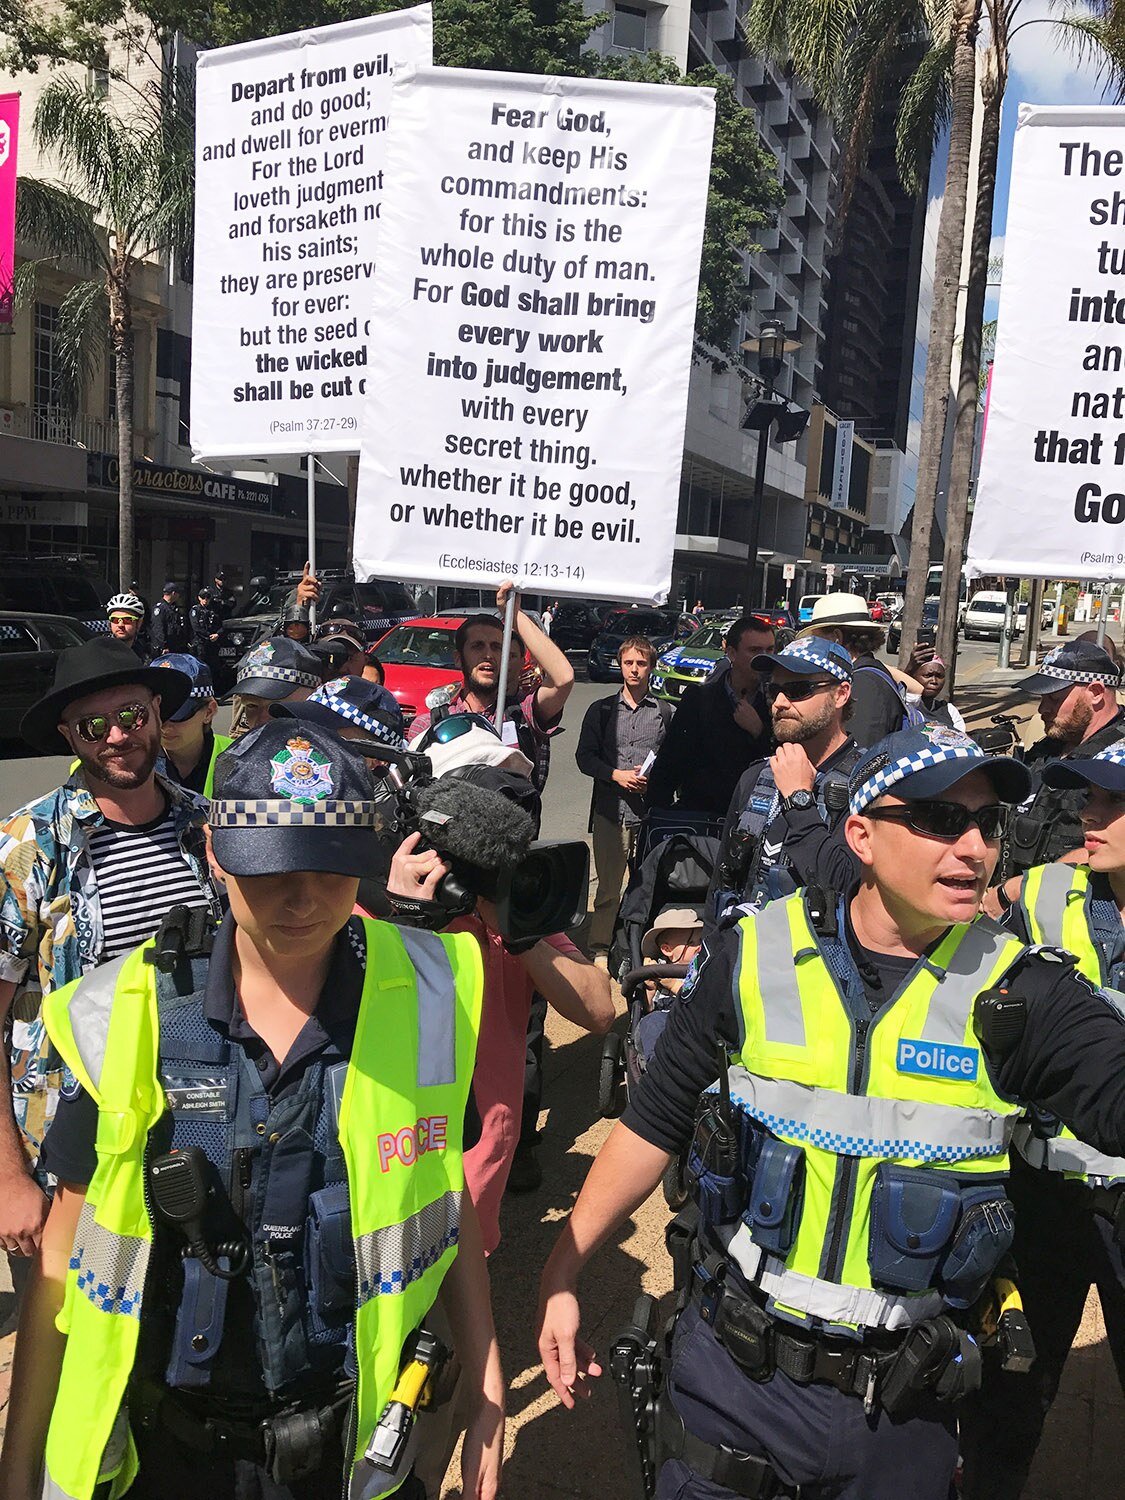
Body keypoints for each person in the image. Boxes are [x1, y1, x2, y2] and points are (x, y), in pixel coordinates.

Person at [536, 723, 1125, 1500]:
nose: (973, 848)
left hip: (907, 1406)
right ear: (861, 835)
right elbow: (656, 1117)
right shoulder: (755, 955)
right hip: (731, 1378)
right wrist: (562, 1266)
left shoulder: (1019, 995)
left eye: (986, 825)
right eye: (940, 820)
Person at [0, 719, 503, 1500]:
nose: (301, 899)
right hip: (172, 1455)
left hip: (353, 1446)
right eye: (269, 869)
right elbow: (63, 1264)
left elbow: (445, 1197)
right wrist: (19, 1464)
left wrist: (489, 1375)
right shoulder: (129, 1015)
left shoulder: (428, 999)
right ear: (214, 853)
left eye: (329, 868)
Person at [0, 640, 219, 1257]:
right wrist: (9, 1177)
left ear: (156, 712)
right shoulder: (28, 848)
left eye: (132, 716)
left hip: (195, 1123)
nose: (117, 736)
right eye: (95, 726)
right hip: (71, 1141)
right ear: (71, 736)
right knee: (67, 1331)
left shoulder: (206, 829)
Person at [960, 742, 1125, 1500]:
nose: (1087, 814)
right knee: (1008, 1394)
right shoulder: (1044, 892)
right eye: (1086, 796)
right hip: (1039, 1196)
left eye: (1109, 802)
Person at [713, 637, 860, 913]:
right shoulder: (756, 777)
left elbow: (846, 887)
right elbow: (722, 884)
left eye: (798, 690)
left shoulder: (871, 784)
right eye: (774, 690)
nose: (779, 703)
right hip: (745, 948)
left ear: (841, 694)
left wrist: (798, 800)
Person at [408, 581, 574, 793]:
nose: (488, 655)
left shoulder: (522, 713)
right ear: (459, 658)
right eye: (477, 646)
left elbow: (564, 678)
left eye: (496, 647)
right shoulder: (430, 725)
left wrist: (513, 614)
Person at [575, 635, 672, 957]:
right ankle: (601, 948)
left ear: (651, 668)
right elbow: (584, 757)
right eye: (629, 663)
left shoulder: (665, 712)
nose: (634, 670)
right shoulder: (601, 710)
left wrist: (654, 781)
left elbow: (674, 762)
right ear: (620, 665)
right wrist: (615, 774)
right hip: (609, 813)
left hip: (648, 815)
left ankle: (641, 947)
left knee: (647, 885)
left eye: (641, 664)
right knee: (608, 890)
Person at [998, 639, 1125, 879]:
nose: (1042, 709)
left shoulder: (1118, 758)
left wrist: (1017, 890)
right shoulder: (1049, 745)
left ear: (1096, 693)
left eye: (1054, 699)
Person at [646, 614, 775, 819]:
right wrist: (655, 818)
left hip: (756, 820)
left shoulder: (780, 702)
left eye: (770, 650)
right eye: (754, 651)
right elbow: (670, 763)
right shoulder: (699, 700)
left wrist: (759, 731)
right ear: (731, 653)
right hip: (703, 821)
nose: (764, 658)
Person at [799, 592, 922, 746]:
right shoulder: (866, 673)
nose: (813, 647)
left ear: (837, 638)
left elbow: (860, 754)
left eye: (817, 639)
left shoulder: (864, 685)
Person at [154, 654, 232, 798]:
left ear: (209, 711)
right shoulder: (136, 763)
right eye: (157, 713)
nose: (164, 724)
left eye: (178, 713)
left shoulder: (240, 758)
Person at [230, 636, 320, 738]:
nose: (262, 720)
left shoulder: (336, 749)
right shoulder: (236, 751)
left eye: (277, 707)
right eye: (252, 706)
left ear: (315, 693)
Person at [912, 655, 966, 731]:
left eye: (939, 676)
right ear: (914, 677)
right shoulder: (907, 706)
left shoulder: (949, 710)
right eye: (928, 675)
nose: (934, 681)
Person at [148, 580, 189, 656]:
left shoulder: (172, 608)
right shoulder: (160, 608)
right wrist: (164, 646)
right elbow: (158, 628)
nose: (179, 596)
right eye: (178, 593)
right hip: (164, 649)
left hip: (174, 647)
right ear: (173, 593)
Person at [104, 592, 147, 658]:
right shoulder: (101, 651)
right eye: (115, 619)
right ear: (110, 623)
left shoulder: (144, 652)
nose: (120, 625)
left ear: (138, 623)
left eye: (127, 619)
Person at [189, 585, 222, 666]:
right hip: (200, 643)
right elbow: (196, 627)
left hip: (212, 644)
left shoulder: (213, 610)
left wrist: (217, 634)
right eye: (203, 598)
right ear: (199, 598)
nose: (205, 600)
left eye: (207, 598)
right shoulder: (195, 610)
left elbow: (220, 625)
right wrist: (209, 635)